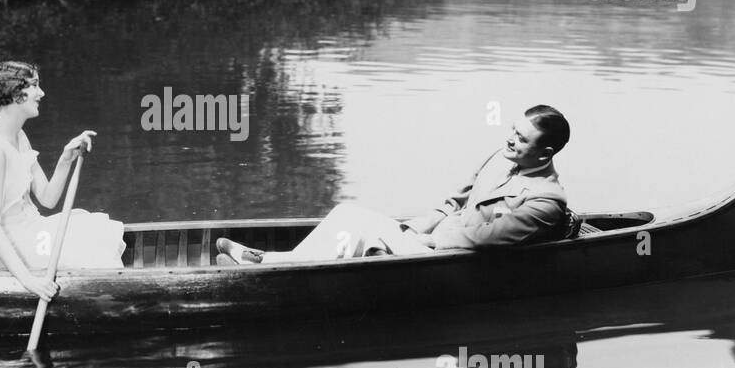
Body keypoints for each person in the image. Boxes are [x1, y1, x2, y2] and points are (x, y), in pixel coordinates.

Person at [217, 104, 571, 264]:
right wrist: (411, 229)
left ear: (545, 153)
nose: (509, 139)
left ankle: (267, 265)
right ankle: (276, 263)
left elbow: (487, 239)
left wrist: (430, 241)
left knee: (365, 233)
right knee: (347, 214)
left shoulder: (547, 200)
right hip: (432, 245)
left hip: (458, 261)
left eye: (521, 139)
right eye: (512, 130)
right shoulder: (500, 157)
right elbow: (453, 203)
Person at [0, 60, 125, 299]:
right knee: (90, 252)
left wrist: (65, 159)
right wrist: (28, 281)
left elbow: (47, 198)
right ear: (15, 93)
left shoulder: (18, 135)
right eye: (34, 85)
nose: (41, 93)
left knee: (94, 231)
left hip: (28, 231)